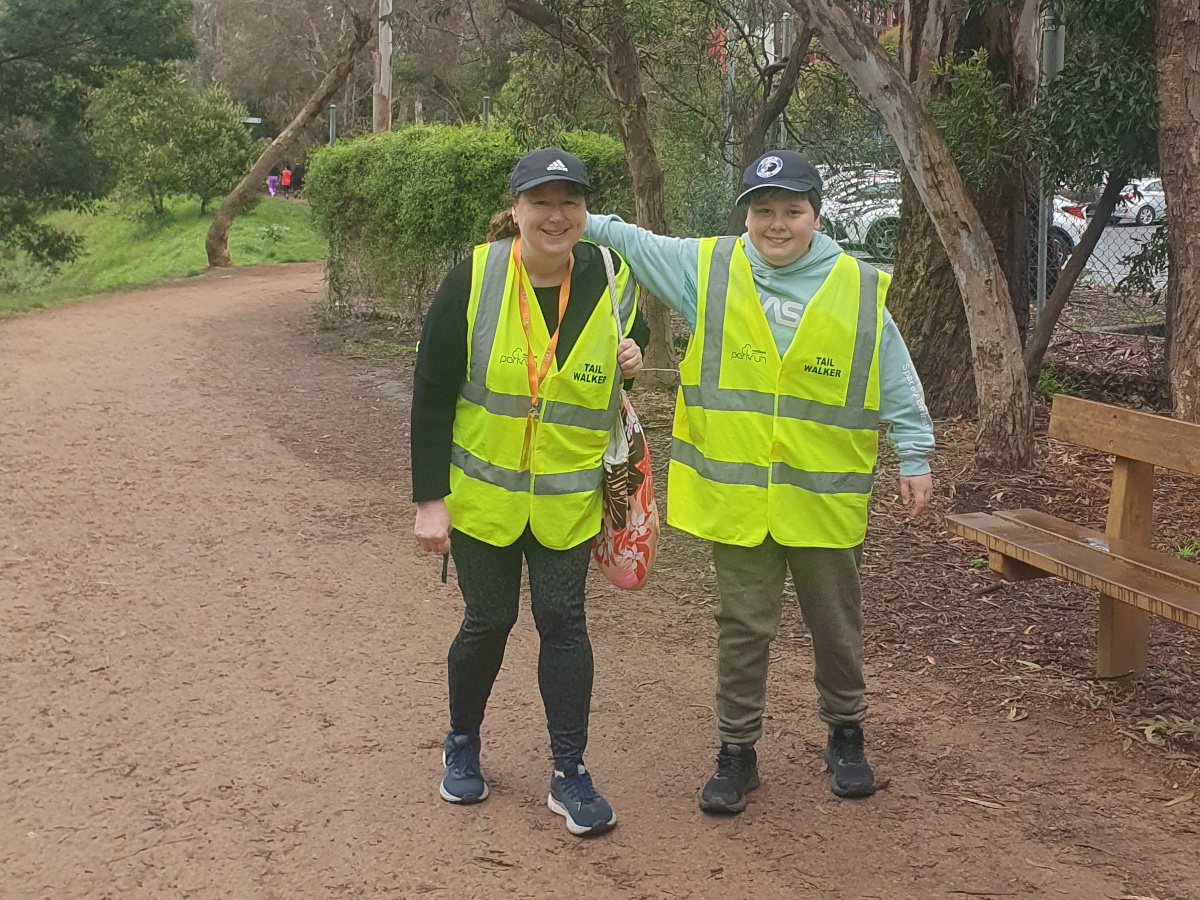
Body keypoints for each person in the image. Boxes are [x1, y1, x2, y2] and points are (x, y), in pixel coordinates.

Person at [584, 150, 934, 811]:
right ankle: (736, 751)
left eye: (792, 211)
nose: (777, 224)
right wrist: (572, 218)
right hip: (737, 499)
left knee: (835, 625)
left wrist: (915, 455)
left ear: (816, 215)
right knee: (742, 626)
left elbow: (896, 378)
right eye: (763, 210)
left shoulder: (857, 286)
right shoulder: (709, 269)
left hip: (821, 499)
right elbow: (631, 239)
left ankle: (846, 736)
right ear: (746, 214)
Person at [411, 148, 649, 837]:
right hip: (484, 497)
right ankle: (462, 742)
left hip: (567, 501)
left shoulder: (611, 276)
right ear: (514, 210)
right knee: (488, 623)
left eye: (569, 202)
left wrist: (629, 361)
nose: (556, 215)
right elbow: (430, 395)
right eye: (540, 201)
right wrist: (430, 500)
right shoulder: (474, 279)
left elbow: (602, 382)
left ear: (584, 212)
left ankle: (569, 770)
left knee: (563, 623)